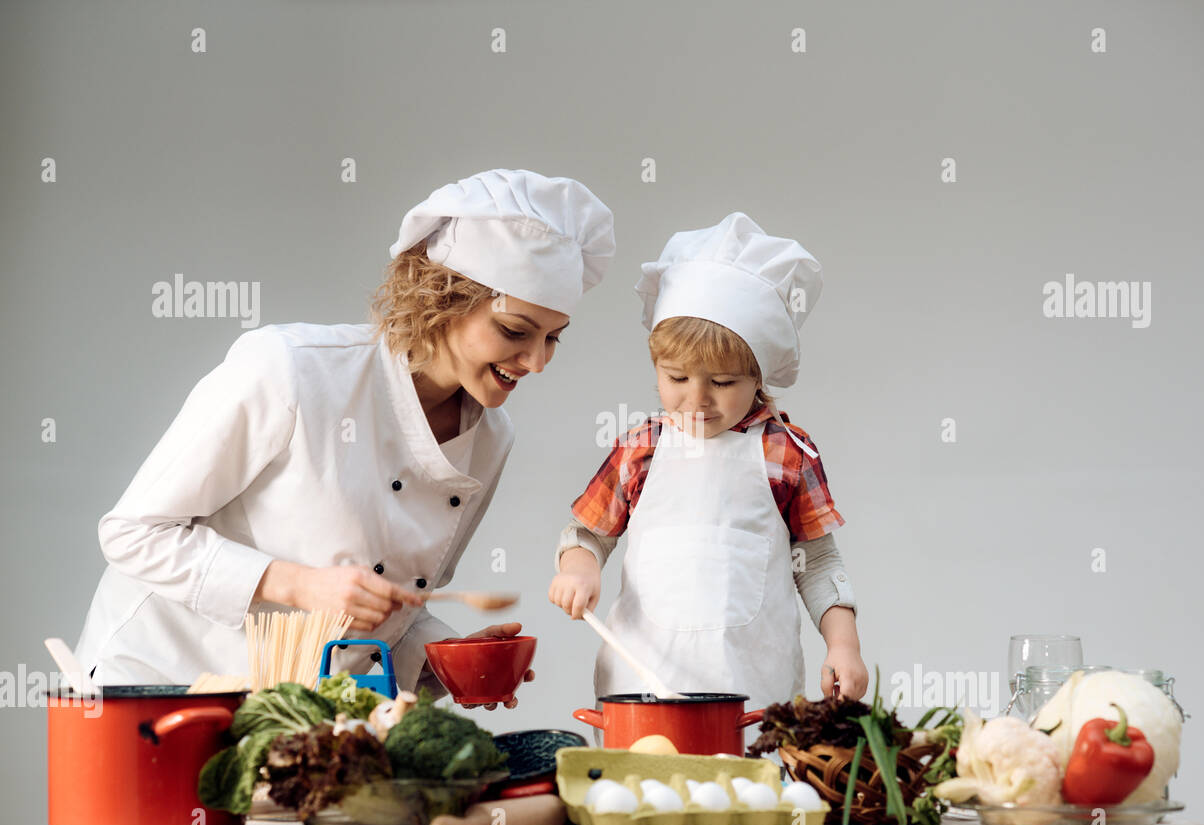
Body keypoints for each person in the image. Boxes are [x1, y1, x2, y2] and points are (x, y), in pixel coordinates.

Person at [75, 168, 615, 706]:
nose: (537, 363)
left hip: (291, 712)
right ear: (443, 298)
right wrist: (295, 584)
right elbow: (133, 533)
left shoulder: (490, 436)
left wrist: (446, 656)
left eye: (553, 339)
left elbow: (396, 603)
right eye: (515, 332)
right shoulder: (291, 372)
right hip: (162, 683)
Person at [548, 212, 869, 726]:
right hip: (640, 690)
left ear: (759, 373)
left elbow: (821, 565)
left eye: (721, 382)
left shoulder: (785, 454)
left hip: (751, 698)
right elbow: (589, 534)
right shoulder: (640, 449)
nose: (695, 400)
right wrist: (579, 568)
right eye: (675, 377)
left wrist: (844, 646)